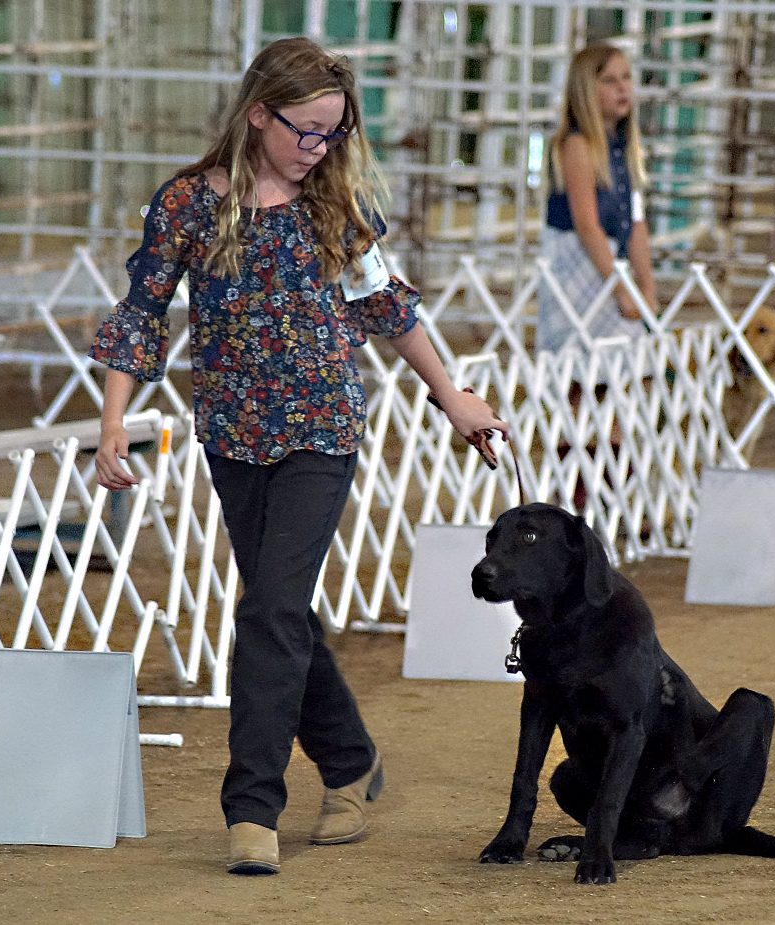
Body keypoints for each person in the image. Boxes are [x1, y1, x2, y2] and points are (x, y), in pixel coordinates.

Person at [88, 37, 507, 876]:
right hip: (233, 433)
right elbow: (142, 314)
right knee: (283, 612)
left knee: (270, 608)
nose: (320, 148)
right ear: (258, 114)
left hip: (324, 427)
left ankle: (251, 807)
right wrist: (112, 422)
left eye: (333, 134)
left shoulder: (336, 208)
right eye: (307, 131)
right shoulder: (184, 206)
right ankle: (351, 762)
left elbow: (386, 305)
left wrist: (452, 395)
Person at [537, 42, 658, 358]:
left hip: (609, 259)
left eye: (627, 78)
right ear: (585, 91)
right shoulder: (577, 145)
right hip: (577, 260)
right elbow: (587, 225)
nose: (623, 88)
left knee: (621, 369)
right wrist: (620, 289)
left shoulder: (625, 148)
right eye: (609, 81)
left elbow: (636, 222)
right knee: (578, 370)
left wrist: (646, 286)